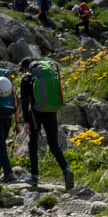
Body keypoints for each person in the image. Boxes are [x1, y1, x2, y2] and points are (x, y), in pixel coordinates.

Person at [20, 52, 75, 191]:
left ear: (27, 68)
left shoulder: (27, 78)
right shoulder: (48, 74)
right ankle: (66, 170)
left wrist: (26, 121)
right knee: (53, 144)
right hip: (51, 110)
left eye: (23, 69)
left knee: (33, 143)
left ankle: (34, 176)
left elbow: (24, 101)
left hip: (35, 113)